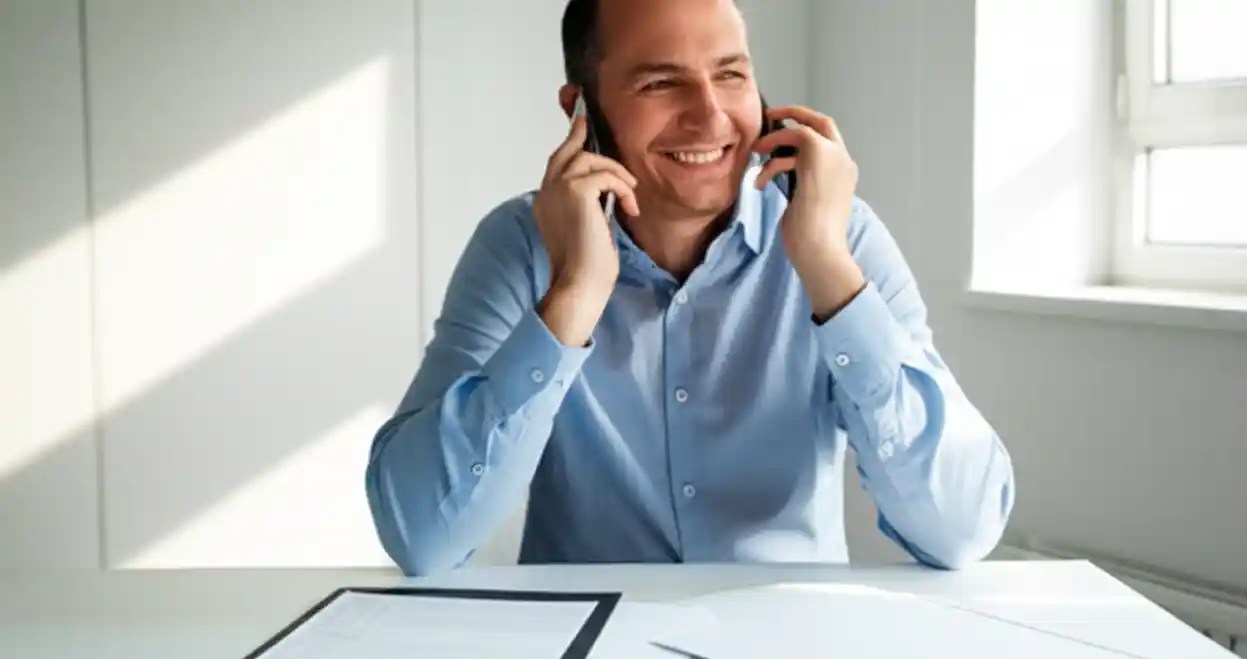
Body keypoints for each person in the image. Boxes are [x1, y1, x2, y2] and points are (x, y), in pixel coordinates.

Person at [365, 0, 1014, 576]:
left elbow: (960, 530)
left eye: (731, 74)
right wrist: (573, 296)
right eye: (661, 82)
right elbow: (422, 537)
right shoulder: (520, 245)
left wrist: (827, 269)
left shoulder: (841, 235)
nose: (710, 116)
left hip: (791, 650)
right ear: (581, 108)